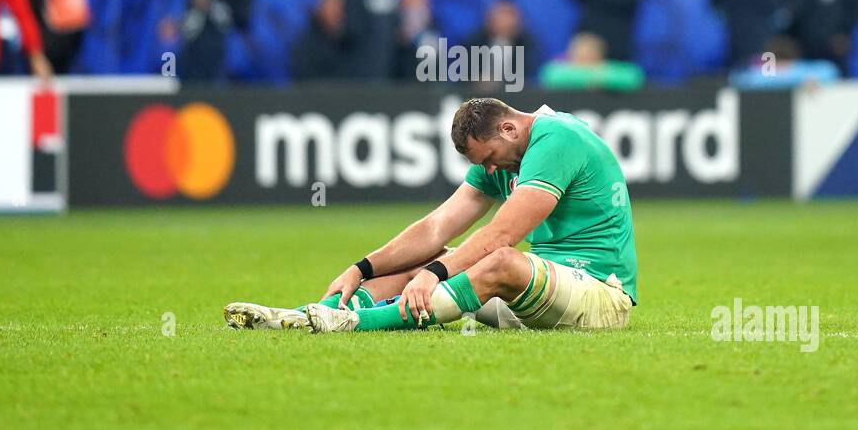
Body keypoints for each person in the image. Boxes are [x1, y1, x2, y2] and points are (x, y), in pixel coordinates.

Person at [224, 96, 638, 333]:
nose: (490, 170)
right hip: (539, 292)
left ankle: (356, 323)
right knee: (431, 257)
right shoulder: (505, 154)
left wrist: (435, 274)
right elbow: (436, 226)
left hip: (600, 295)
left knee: (498, 261)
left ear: (509, 130)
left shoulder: (556, 139)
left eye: (490, 158)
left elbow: (501, 236)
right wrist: (361, 268)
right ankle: (307, 315)